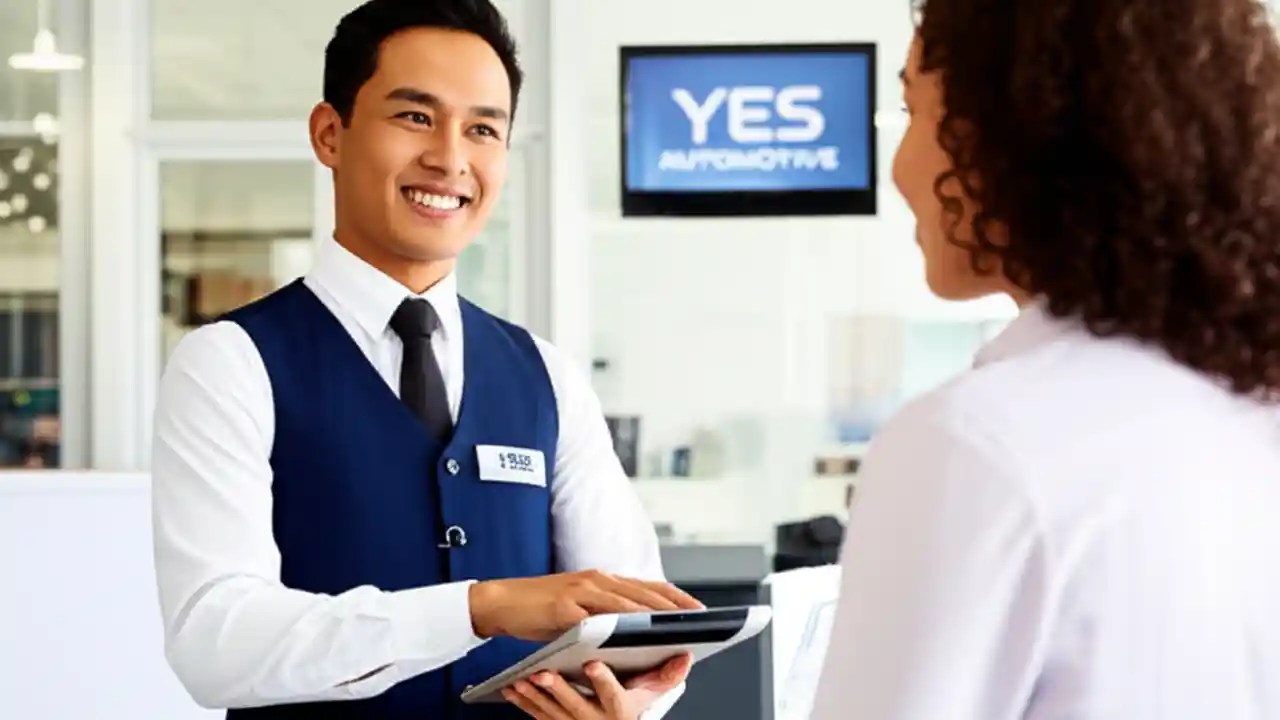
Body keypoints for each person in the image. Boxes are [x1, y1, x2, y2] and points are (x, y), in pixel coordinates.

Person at [150, 2, 699, 718]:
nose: (450, 158)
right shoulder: (230, 363)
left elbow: (629, 613)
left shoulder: (547, 376)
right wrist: (480, 607)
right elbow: (215, 645)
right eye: (415, 117)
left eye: (482, 128)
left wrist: (636, 699)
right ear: (329, 133)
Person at [812, 0, 1280, 717]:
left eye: (913, 113)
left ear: (1013, 134)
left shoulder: (974, 445)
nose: (901, 172)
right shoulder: (1245, 414)